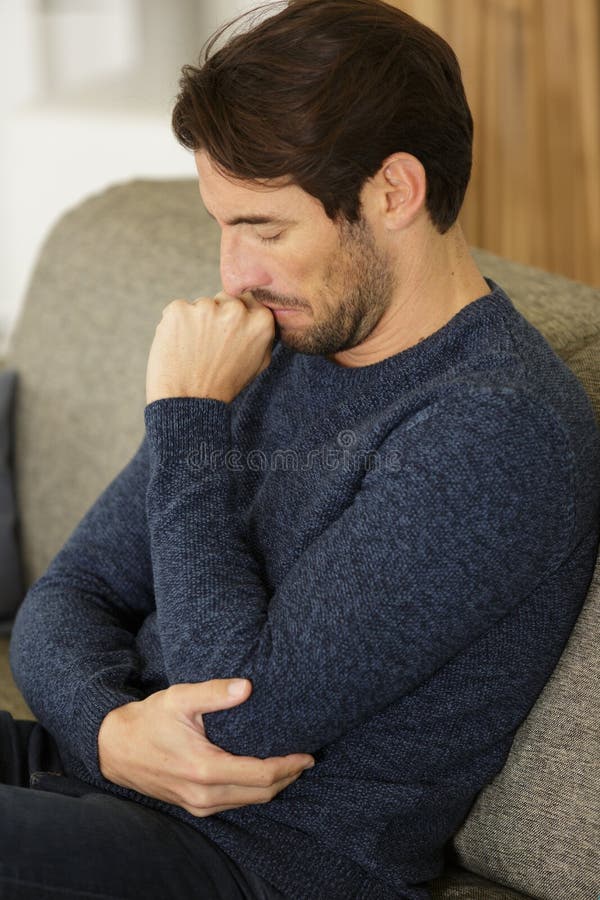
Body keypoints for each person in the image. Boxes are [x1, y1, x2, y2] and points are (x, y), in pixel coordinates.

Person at [3, 0, 600, 898]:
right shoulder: (281, 345)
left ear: (394, 192)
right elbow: (72, 589)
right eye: (223, 224)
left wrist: (188, 417)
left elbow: (236, 715)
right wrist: (107, 734)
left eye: (263, 228)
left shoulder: (496, 431)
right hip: (100, 773)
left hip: (242, 863)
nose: (233, 274)